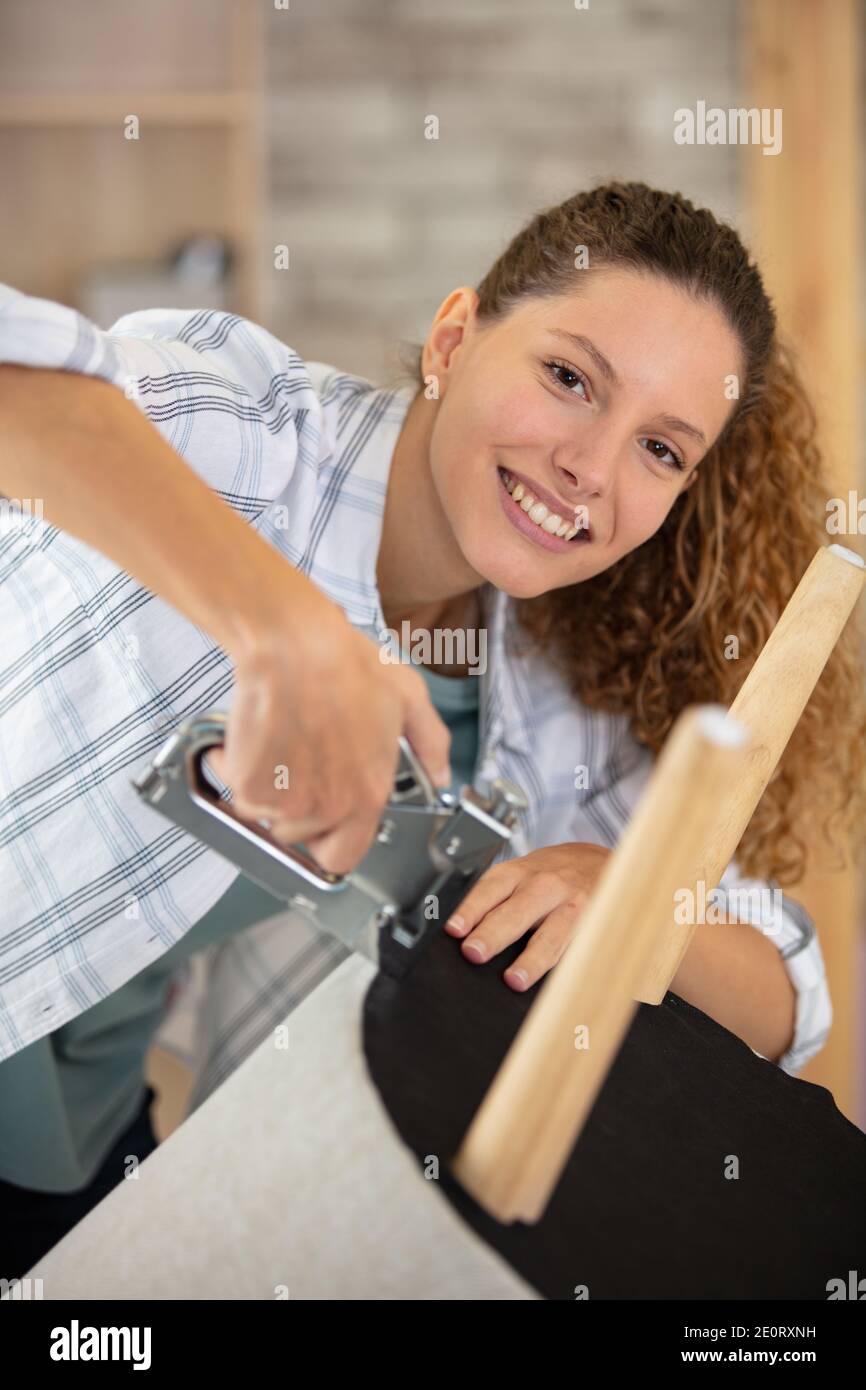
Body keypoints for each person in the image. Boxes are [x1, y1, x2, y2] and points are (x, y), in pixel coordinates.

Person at [1, 180, 863, 1275]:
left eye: (659, 451)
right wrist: (281, 629)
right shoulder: (241, 432)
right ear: (453, 339)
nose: (589, 470)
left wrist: (640, 904)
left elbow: (787, 991)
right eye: (567, 378)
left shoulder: (551, 695)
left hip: (75, 1153)